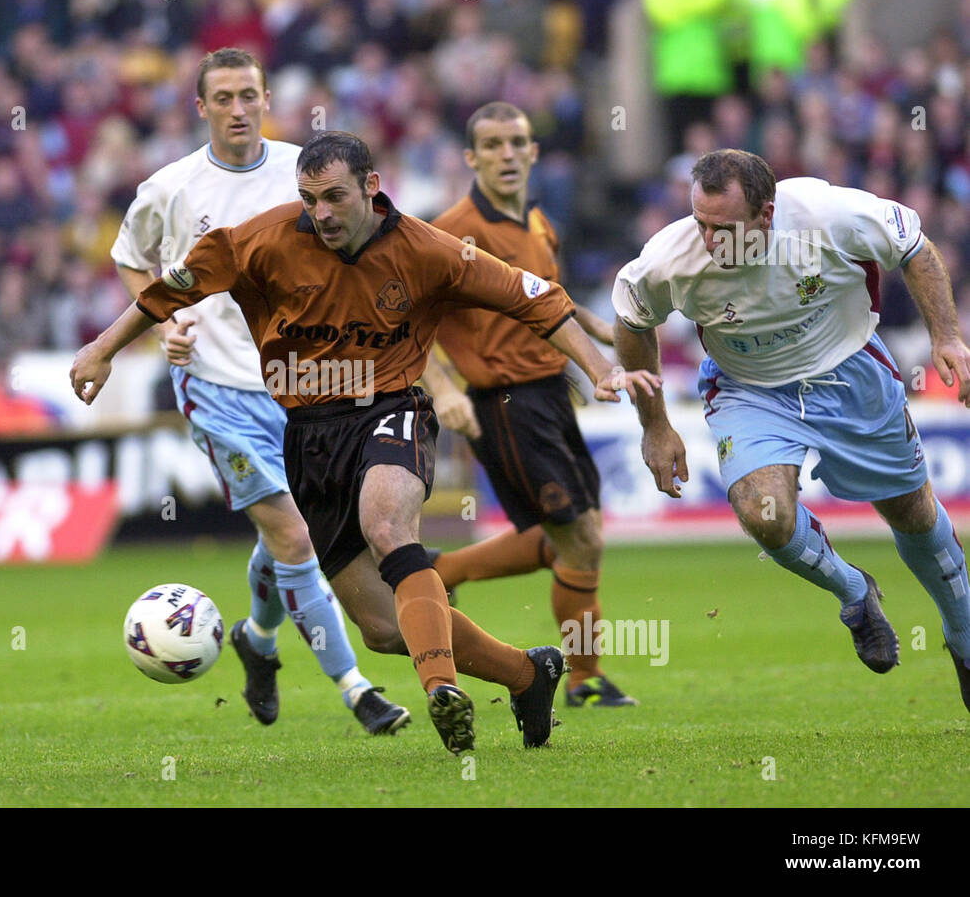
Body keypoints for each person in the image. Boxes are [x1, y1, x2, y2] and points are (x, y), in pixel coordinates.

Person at [72, 130, 661, 754]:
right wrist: (100, 349)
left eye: (332, 198)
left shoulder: (427, 249)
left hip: (391, 409)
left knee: (388, 529)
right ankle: (527, 673)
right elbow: (167, 290)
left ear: (371, 187)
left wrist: (599, 370)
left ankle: (440, 690)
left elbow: (536, 300)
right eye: (308, 199)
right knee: (382, 627)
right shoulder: (257, 242)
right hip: (308, 438)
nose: (320, 214)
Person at [109, 49, 411, 735]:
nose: (238, 109)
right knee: (297, 536)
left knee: (289, 536)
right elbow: (131, 260)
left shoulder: (304, 175)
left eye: (249, 95)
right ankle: (356, 689)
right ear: (201, 108)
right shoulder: (171, 187)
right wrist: (169, 320)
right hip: (216, 387)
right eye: (223, 98)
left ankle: (257, 639)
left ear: (266, 97)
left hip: (303, 385)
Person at [613, 148, 970, 713]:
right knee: (764, 514)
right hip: (748, 388)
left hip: (850, 370)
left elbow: (915, 249)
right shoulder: (667, 258)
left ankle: (965, 643)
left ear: (767, 213)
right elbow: (633, 322)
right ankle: (855, 595)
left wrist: (947, 338)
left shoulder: (828, 214)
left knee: (913, 513)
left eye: (724, 229)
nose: (709, 242)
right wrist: (654, 425)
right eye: (701, 224)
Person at [421, 101, 638, 708]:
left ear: (534, 151)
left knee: (575, 534)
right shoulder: (454, 232)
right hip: (505, 403)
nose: (507, 154)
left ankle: (445, 572)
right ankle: (583, 681)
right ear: (471, 158)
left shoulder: (541, 223)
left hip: (551, 393)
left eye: (517, 142)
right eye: (492, 145)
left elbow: (548, 296)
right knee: (580, 538)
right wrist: (443, 390)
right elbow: (412, 321)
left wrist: (593, 325)